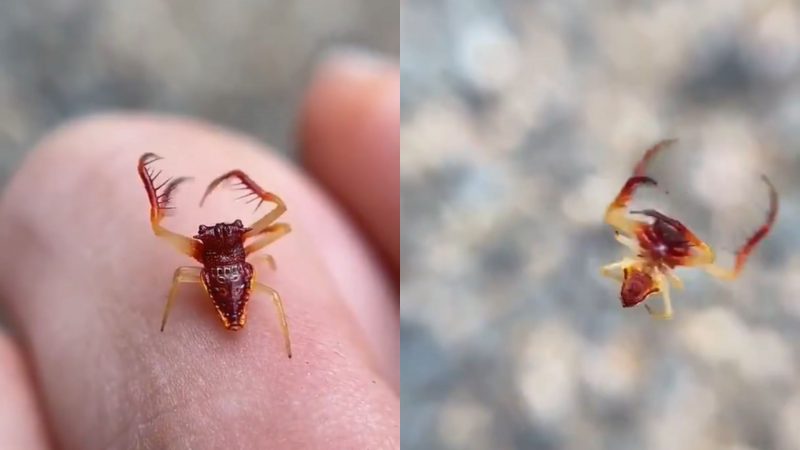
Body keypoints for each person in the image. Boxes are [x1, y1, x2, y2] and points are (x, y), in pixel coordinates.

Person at [0, 51, 399, 449]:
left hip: (226, 281)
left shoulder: (203, 250)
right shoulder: (237, 245)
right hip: (236, 278)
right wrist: (240, 186)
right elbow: (276, 218)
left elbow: (172, 233)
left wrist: (198, 183)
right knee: (268, 288)